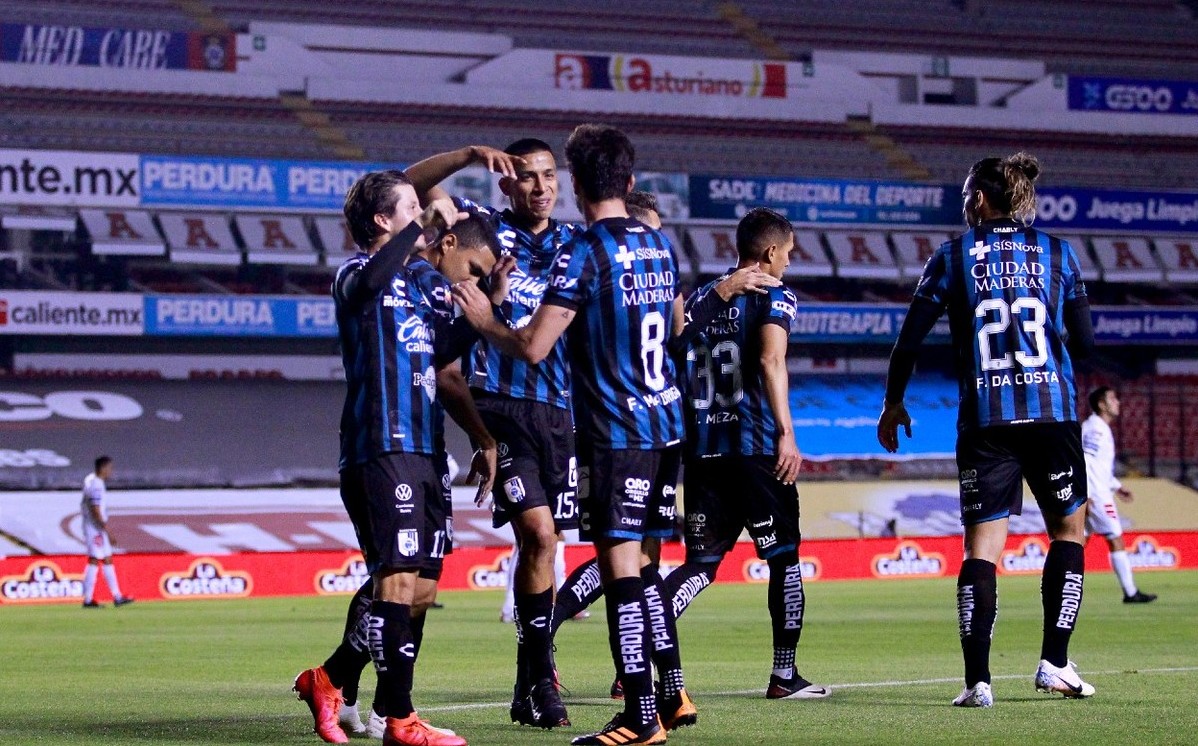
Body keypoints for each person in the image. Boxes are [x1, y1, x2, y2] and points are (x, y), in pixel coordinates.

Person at [454, 124, 692, 746]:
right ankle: (658, 698)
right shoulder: (659, 246)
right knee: (635, 566)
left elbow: (534, 346)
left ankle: (641, 717)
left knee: (622, 576)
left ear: (575, 184)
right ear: (632, 182)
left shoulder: (584, 249)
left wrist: (486, 318)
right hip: (666, 423)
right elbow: (671, 328)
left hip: (611, 429)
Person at [877, 152, 1098, 708]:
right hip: (1051, 415)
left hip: (985, 420)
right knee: (1069, 533)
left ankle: (978, 681)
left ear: (980, 199)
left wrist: (893, 403)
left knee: (982, 550)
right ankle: (1055, 662)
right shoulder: (1058, 253)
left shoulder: (951, 258)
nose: (962, 204)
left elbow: (909, 340)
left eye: (964, 194)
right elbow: (1086, 344)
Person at [294, 169, 502, 746]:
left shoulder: (421, 283)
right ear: (384, 220)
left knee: (422, 590)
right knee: (396, 578)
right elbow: (371, 283)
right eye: (410, 206)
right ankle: (400, 720)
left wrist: (491, 306)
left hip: (427, 447)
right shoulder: (356, 274)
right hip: (380, 443)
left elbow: (443, 355)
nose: (424, 211)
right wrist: (420, 232)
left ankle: (332, 679)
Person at [405, 140, 582, 728]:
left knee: (547, 543)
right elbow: (408, 183)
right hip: (499, 407)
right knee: (539, 536)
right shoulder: (484, 231)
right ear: (508, 186)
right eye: (528, 178)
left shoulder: (574, 246)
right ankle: (543, 679)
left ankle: (530, 682)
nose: (541, 188)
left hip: (559, 411)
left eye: (550, 176)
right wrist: (466, 156)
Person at [661, 207, 830, 700]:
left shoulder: (703, 298)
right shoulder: (775, 294)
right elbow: (770, 358)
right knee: (784, 560)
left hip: (704, 450)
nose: (790, 265)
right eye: (790, 254)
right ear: (771, 252)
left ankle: (642, 634)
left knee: (699, 567)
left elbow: (674, 348)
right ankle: (784, 675)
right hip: (756, 447)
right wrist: (787, 433)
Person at [1082, 386, 1157, 604]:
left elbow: (1099, 466)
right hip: (1095, 495)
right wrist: (1086, 494)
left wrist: (1116, 485)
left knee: (1077, 542)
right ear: (1101, 404)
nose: (1118, 403)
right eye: (1113, 399)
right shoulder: (1096, 429)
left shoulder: (1096, 427)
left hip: (1095, 491)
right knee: (1115, 538)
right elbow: (1087, 461)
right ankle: (1130, 592)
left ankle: (1056, 584)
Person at [80, 455, 133, 608]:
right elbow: (95, 509)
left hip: (94, 527)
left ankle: (117, 596)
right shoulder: (96, 485)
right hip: (95, 528)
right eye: (109, 468)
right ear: (103, 468)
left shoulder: (92, 481)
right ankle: (88, 599)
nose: (111, 471)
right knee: (94, 560)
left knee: (107, 559)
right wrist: (107, 530)